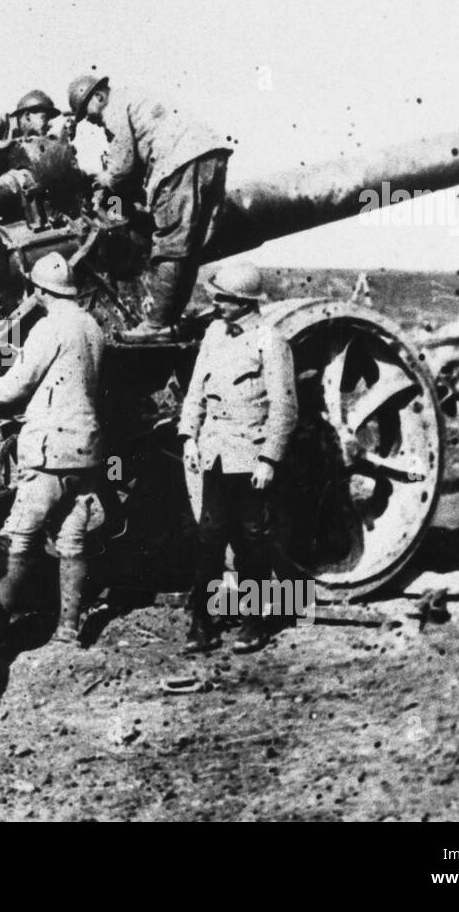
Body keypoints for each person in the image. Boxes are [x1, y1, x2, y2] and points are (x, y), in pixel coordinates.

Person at [0, 251, 105, 644]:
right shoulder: (91, 325)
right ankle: (69, 629)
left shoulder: (48, 328)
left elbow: (15, 385)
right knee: (73, 537)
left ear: (41, 291)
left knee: (17, 536)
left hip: (49, 451)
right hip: (87, 447)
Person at [178, 263, 297, 654]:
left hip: (250, 456)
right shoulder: (214, 333)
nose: (216, 303)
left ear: (244, 302)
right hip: (215, 454)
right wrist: (189, 436)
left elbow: (284, 407)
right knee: (208, 538)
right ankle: (202, 622)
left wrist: (269, 459)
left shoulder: (270, 340)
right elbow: (196, 390)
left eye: (224, 298)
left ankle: (255, 621)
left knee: (251, 540)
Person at [66, 73, 232, 343]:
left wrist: (103, 181)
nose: (91, 121)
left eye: (88, 112)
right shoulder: (136, 97)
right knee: (188, 248)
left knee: (170, 245)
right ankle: (168, 322)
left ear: (98, 96)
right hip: (209, 155)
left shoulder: (114, 107)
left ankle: (155, 326)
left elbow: (122, 166)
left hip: (178, 163)